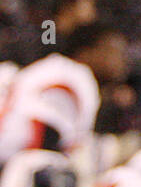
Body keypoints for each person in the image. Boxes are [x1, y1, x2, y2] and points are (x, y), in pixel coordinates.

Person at [0, 23, 125, 166]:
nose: (121, 60)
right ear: (86, 51)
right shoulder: (75, 76)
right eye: (114, 51)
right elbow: (42, 134)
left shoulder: (56, 69)